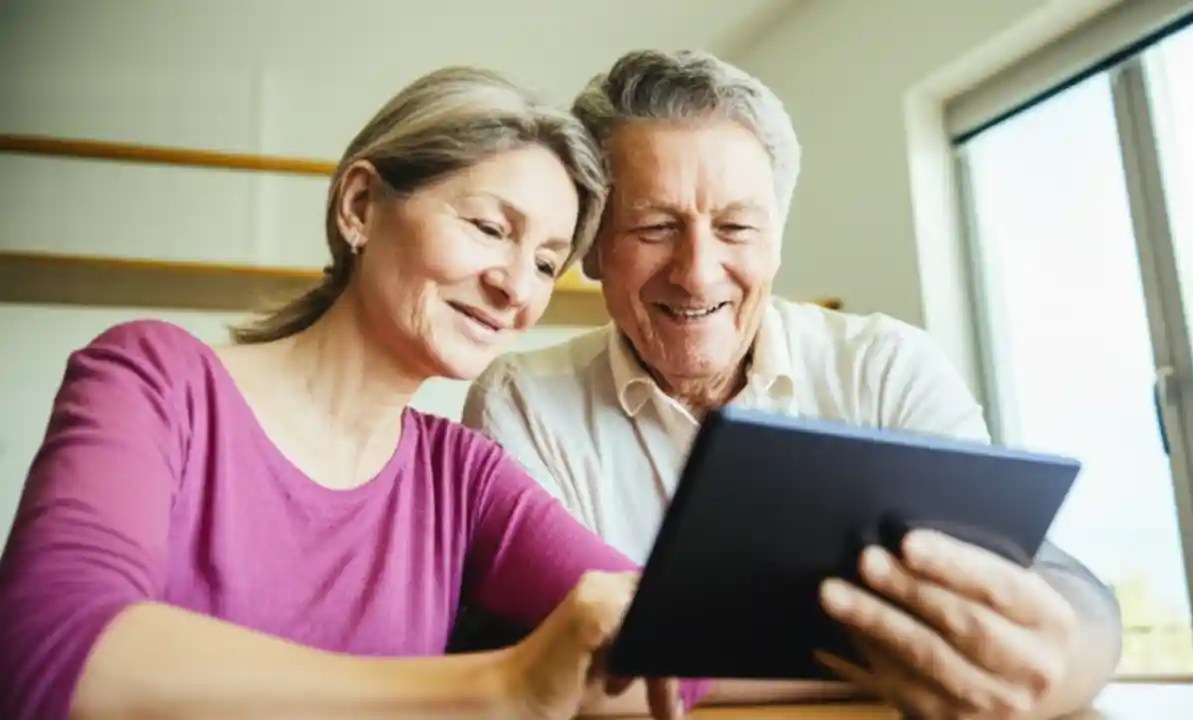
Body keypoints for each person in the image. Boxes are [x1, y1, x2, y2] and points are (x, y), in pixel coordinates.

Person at [0, 67, 706, 720]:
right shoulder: (156, 380)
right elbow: (51, 650)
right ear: (361, 205)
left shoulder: (462, 477)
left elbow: (677, 641)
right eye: (491, 228)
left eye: (547, 264)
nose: (517, 287)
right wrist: (502, 685)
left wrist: (798, 640)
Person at [464, 50, 1124, 719]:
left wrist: (1056, 656)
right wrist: (880, 661)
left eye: (736, 228)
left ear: (776, 238)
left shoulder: (886, 366)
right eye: (656, 228)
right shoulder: (523, 400)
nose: (697, 273)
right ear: (593, 248)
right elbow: (560, 672)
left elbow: (1047, 587)